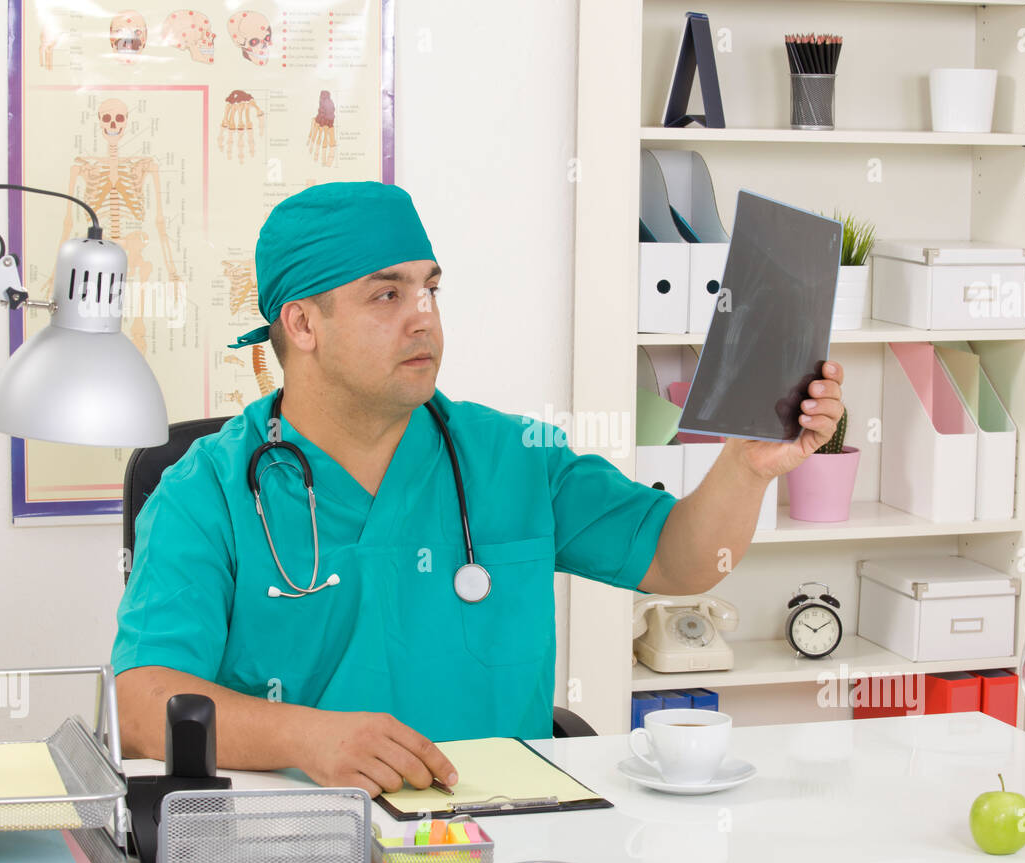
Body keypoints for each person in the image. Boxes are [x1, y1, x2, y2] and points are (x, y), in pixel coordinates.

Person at [111, 181, 846, 798]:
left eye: (430, 288)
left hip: (494, 820)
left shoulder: (512, 458)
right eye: (385, 295)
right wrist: (310, 737)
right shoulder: (205, 491)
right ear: (302, 323)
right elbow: (143, 704)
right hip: (304, 829)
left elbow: (683, 563)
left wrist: (747, 467)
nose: (422, 316)